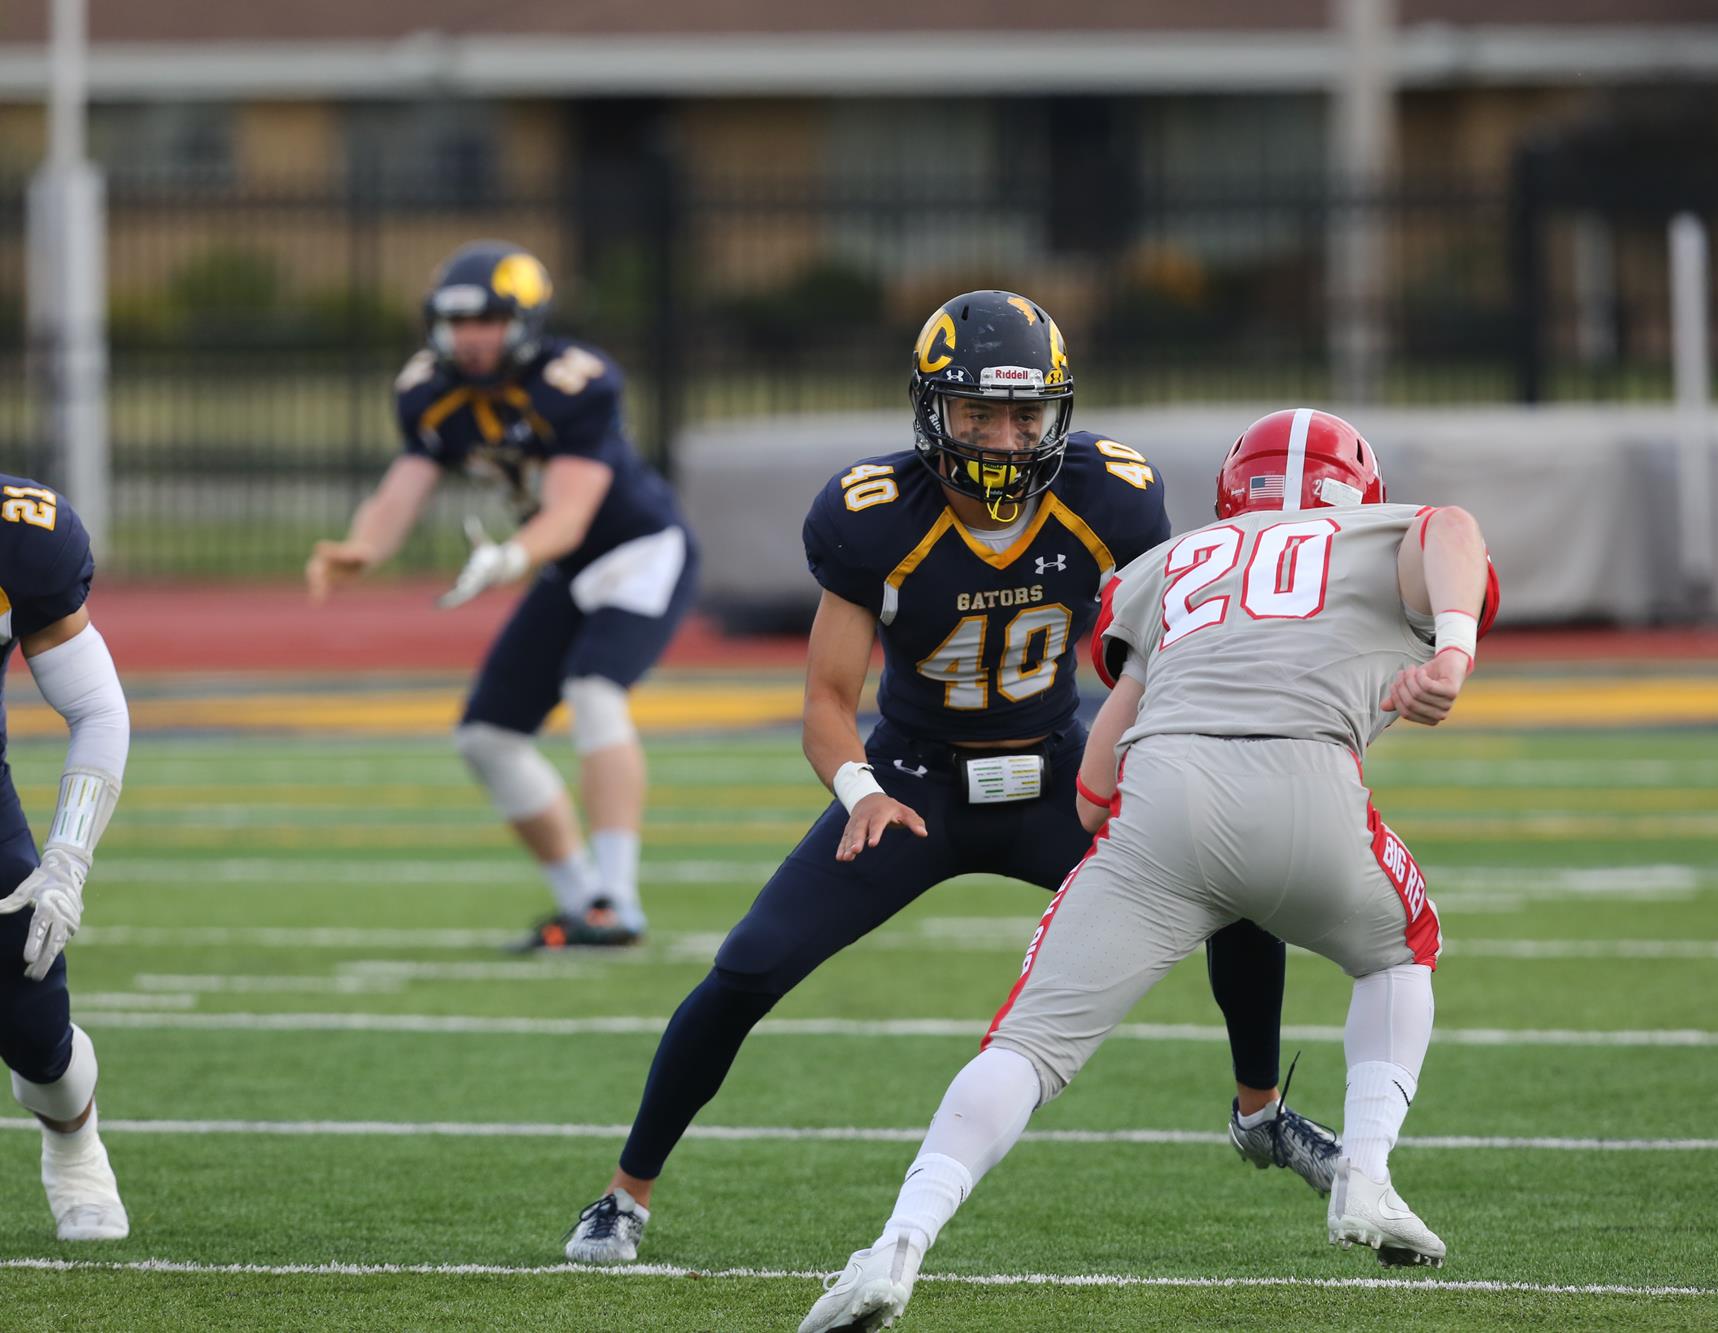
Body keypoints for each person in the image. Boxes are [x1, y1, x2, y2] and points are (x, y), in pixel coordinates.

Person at [562, 291, 1335, 1264]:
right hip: (913, 787)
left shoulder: (1111, 499)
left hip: (1057, 775)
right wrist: (862, 793)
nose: (1005, 438)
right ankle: (623, 1193)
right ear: (935, 412)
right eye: (978, 412)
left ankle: (1257, 1110)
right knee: (748, 967)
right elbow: (826, 702)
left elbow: (1169, 649)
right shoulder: (873, 517)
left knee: (1239, 883)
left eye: (1023, 414)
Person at [800, 407, 1501, 1332]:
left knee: (1026, 1045)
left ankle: (898, 1243)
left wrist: (1138, 841)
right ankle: (1364, 1174)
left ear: (1230, 492)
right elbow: (1449, 529)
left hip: (1160, 797)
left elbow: (1094, 783)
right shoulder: (1372, 531)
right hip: (1308, 785)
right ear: (1355, 492)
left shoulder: (1171, 563)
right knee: (1401, 948)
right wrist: (1452, 650)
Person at [306, 241, 698, 951]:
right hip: (564, 567)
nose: (472, 336)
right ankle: (583, 902)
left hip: (638, 551)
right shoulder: (429, 389)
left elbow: (571, 515)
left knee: (593, 689)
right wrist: (363, 544)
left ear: (524, 318)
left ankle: (618, 895)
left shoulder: (576, 381)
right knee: (486, 737)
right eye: (458, 321)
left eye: (487, 319)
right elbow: (406, 483)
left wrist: (510, 556)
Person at [0, 474, 133, 1240]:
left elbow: (95, 705)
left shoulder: (22, 534)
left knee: (32, 1017)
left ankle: (75, 1148)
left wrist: (67, 859)